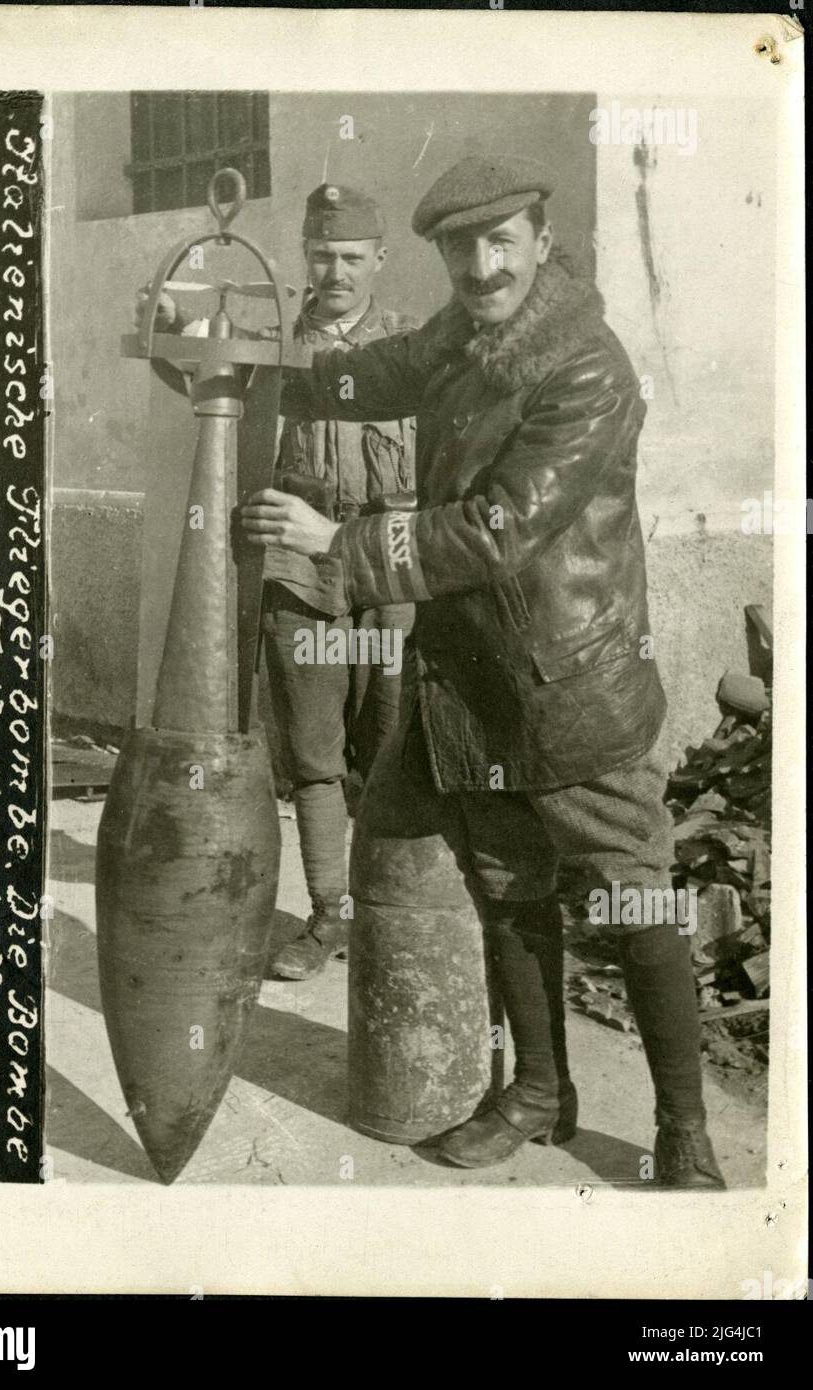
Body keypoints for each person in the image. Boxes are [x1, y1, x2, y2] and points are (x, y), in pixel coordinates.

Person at [241, 153, 726, 1187]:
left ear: (540, 242)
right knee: (504, 884)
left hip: (570, 683)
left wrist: (341, 540)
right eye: (462, 246)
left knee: (630, 898)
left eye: (499, 241)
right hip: (471, 684)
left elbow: (499, 528)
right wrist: (251, 373)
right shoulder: (456, 339)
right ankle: (539, 1092)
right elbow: (370, 375)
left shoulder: (586, 368)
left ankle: (683, 1130)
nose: (481, 264)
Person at [137, 184, 418, 982]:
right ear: (303, 257)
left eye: (352, 258)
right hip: (299, 569)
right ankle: (331, 915)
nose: (335, 271)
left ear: (379, 260)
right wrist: (167, 323)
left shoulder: (410, 348)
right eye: (322, 255)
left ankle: (390, 913)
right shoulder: (272, 348)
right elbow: (192, 363)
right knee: (314, 757)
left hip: (394, 567)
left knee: (396, 750)